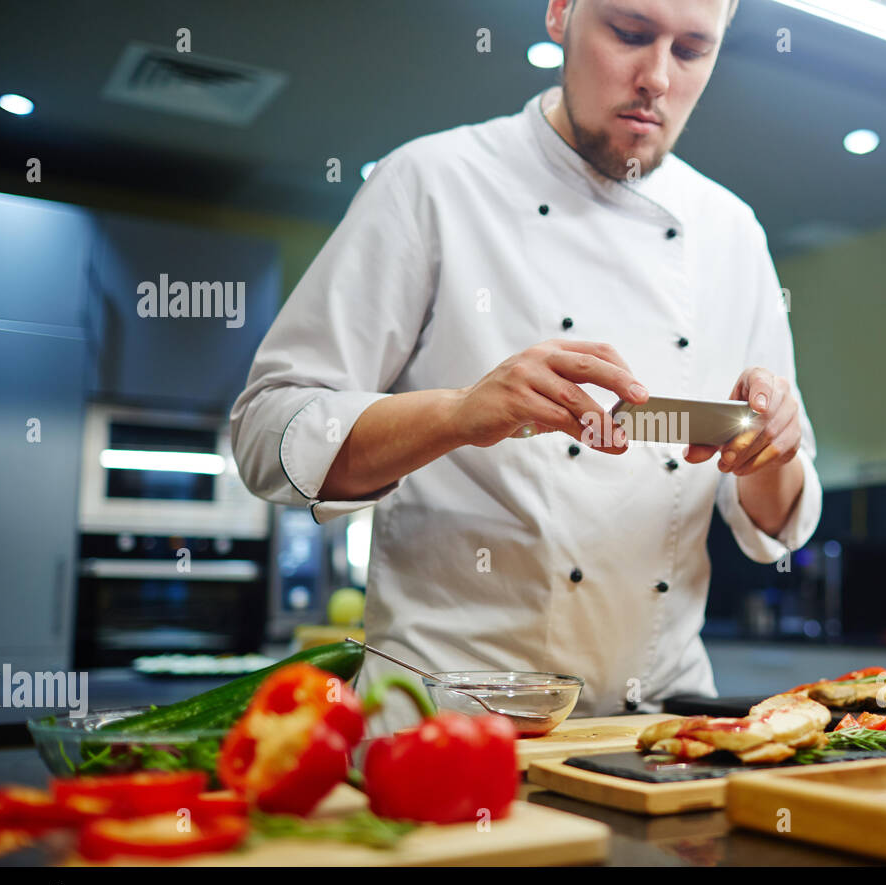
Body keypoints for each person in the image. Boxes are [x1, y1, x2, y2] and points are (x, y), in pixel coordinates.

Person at [230, 0, 822, 727]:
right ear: (561, 13)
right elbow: (266, 434)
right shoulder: (432, 181)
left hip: (653, 735)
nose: (657, 78)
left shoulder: (732, 232)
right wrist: (458, 415)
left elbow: (772, 520)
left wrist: (771, 443)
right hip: (443, 726)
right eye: (630, 34)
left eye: (693, 49)